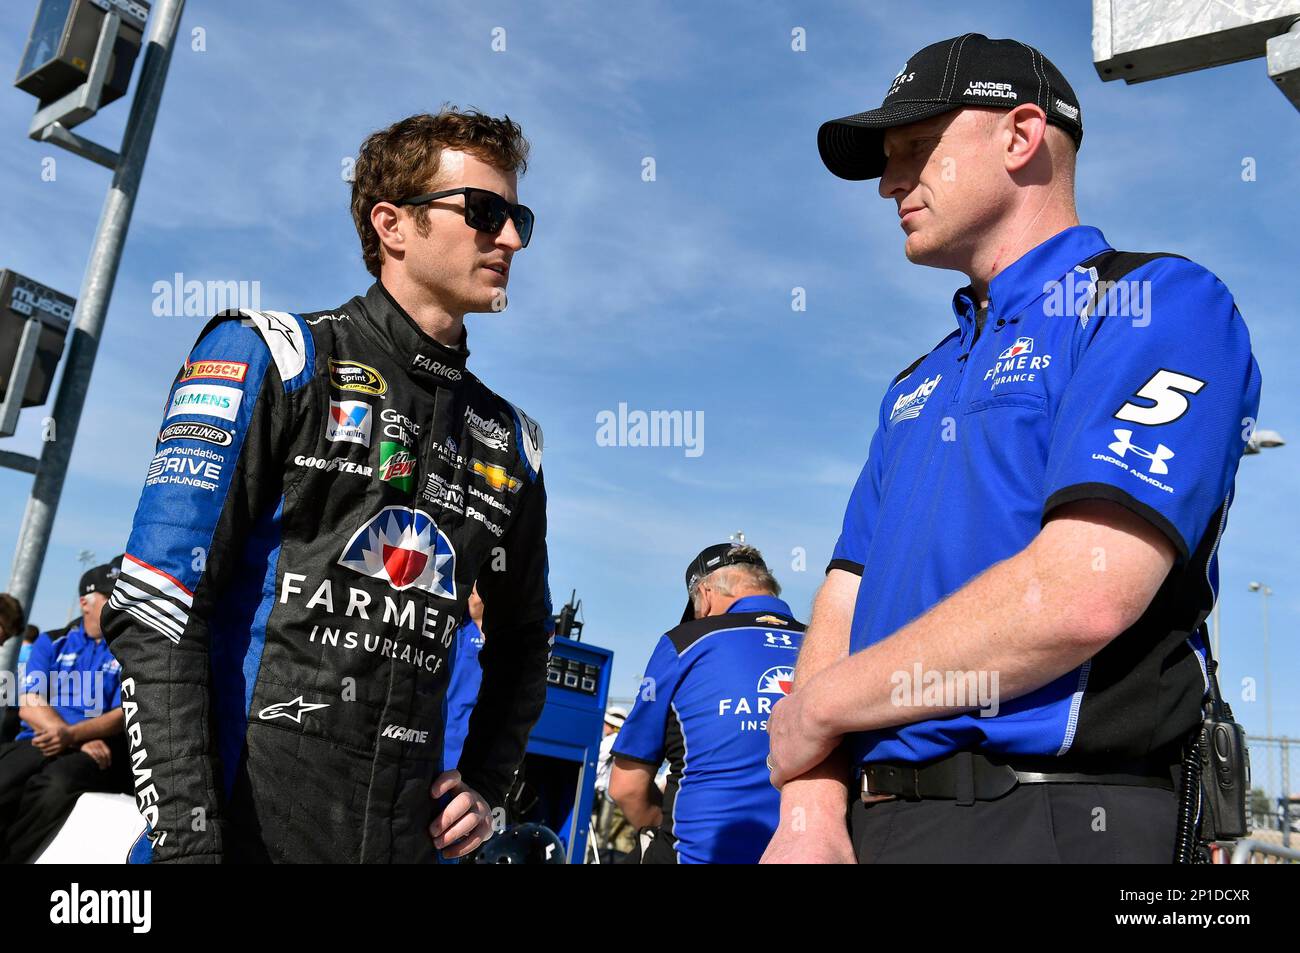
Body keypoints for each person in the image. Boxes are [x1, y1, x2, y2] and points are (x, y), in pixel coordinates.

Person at [762, 34, 1261, 864]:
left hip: (1059, 814)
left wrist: (818, 708)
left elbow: (1083, 592)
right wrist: (810, 806)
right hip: (877, 824)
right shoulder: (916, 382)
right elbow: (843, 598)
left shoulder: (1155, 303)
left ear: (1022, 135)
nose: (889, 183)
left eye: (915, 149)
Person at [104, 108, 552, 864]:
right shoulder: (273, 356)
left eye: (519, 219)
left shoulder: (508, 441)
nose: (509, 238)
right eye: (484, 211)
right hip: (240, 836)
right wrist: (186, 842)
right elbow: (154, 607)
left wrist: (485, 784)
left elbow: (525, 639)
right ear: (392, 224)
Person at [610, 544, 804, 863]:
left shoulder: (685, 642)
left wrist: (661, 832)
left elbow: (626, 786)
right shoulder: (824, 644)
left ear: (705, 593)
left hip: (698, 854)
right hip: (809, 849)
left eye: (698, 609)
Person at [0, 561, 129, 862]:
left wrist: (72, 736)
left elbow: (123, 714)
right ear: (85, 603)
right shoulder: (52, 640)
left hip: (96, 751)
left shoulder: (130, 650)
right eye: (110, 597)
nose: (119, 606)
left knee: (55, 788)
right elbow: (29, 703)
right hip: (41, 740)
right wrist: (69, 736)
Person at [441, 586, 486, 775]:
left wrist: (480, 621)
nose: (473, 589)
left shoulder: (497, 636)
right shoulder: (456, 625)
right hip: (439, 732)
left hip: (466, 740)